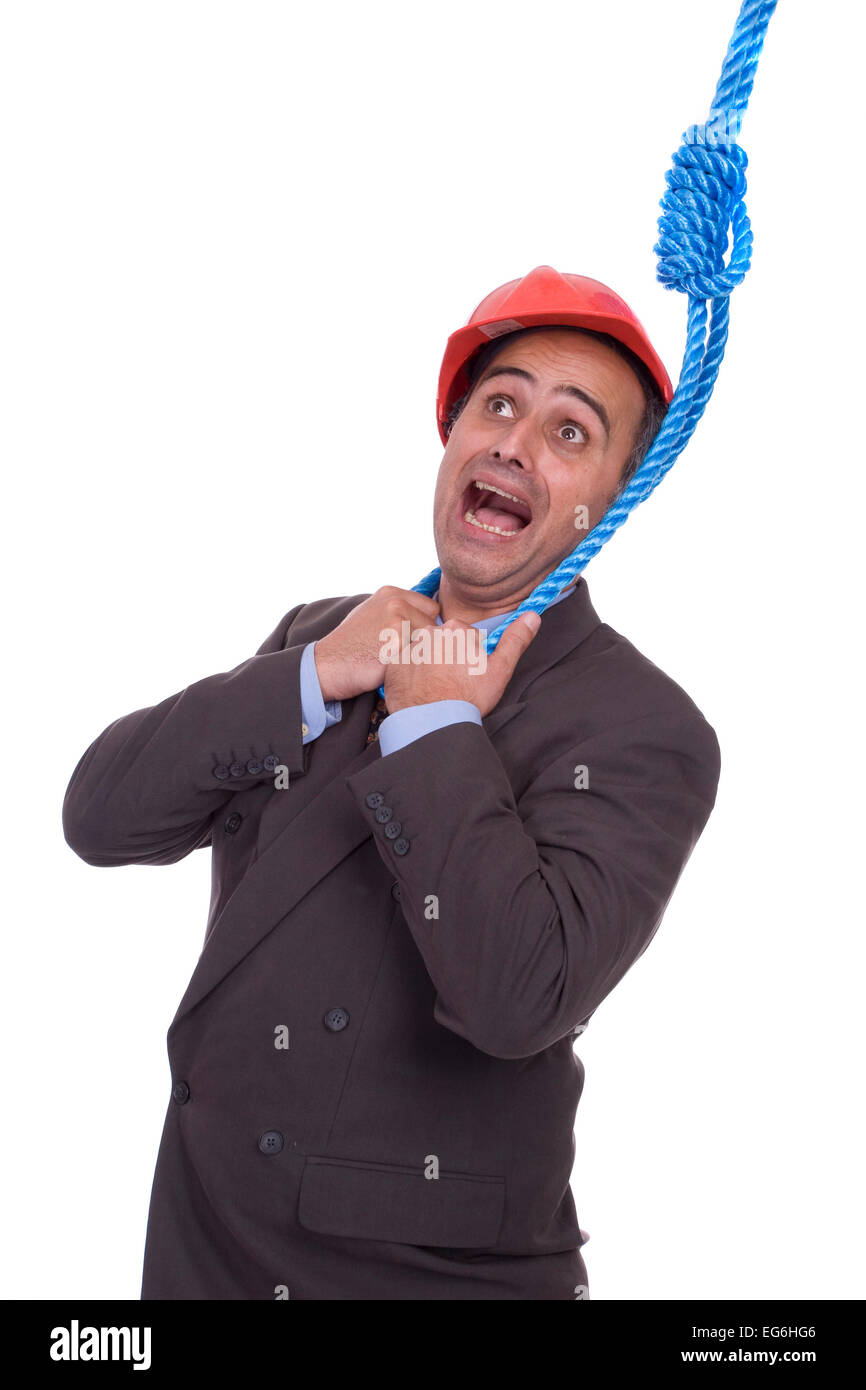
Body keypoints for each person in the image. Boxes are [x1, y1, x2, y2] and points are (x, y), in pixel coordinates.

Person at [62, 265, 721, 1301]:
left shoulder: (644, 727)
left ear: (609, 500)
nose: (512, 440)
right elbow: (99, 817)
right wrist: (316, 672)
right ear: (452, 435)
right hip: (201, 1253)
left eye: (568, 431)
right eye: (497, 404)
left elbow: (516, 998)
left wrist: (429, 720)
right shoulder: (320, 635)